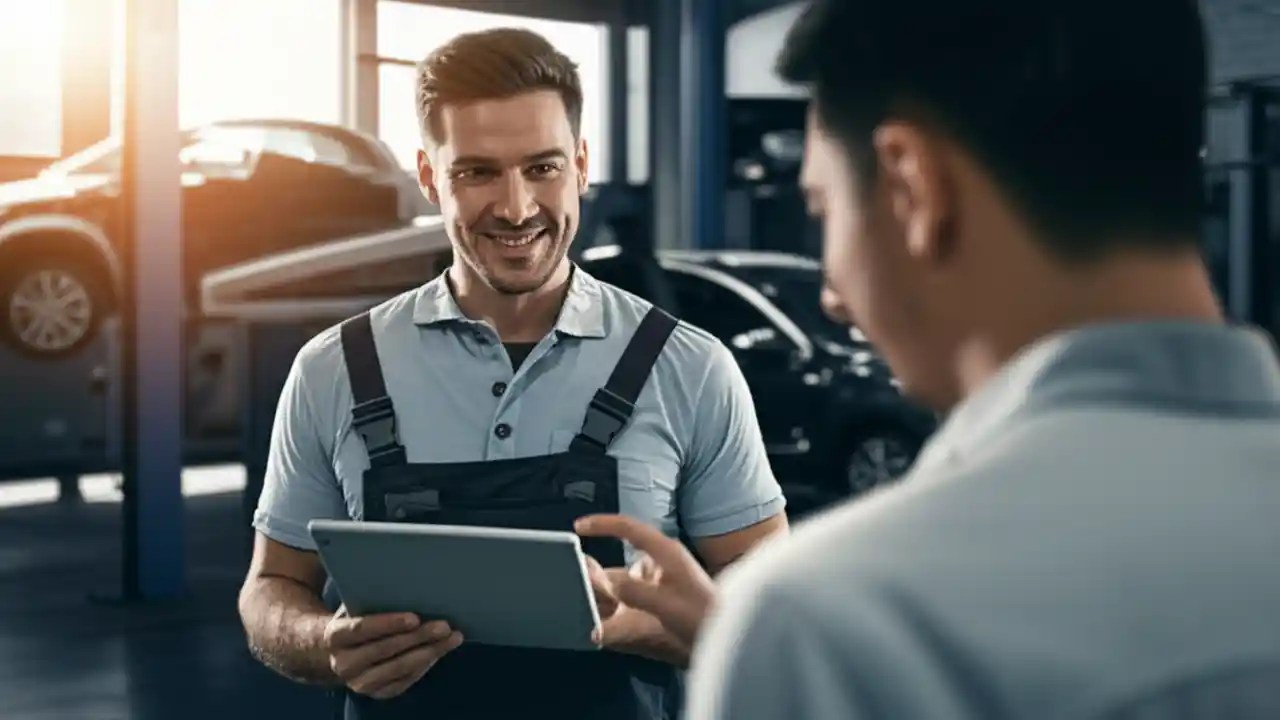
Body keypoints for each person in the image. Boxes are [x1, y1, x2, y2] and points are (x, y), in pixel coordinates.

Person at [579, 0, 1280, 717]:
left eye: (825, 212)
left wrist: (763, 653)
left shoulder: (841, 623)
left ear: (914, 186)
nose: (832, 297)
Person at [236, 27, 788, 720]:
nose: (517, 208)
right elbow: (270, 589)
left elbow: (768, 605)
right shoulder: (335, 371)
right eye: (477, 172)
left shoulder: (690, 367)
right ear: (430, 176)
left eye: (542, 168)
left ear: (582, 165)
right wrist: (323, 643)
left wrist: (659, 630)